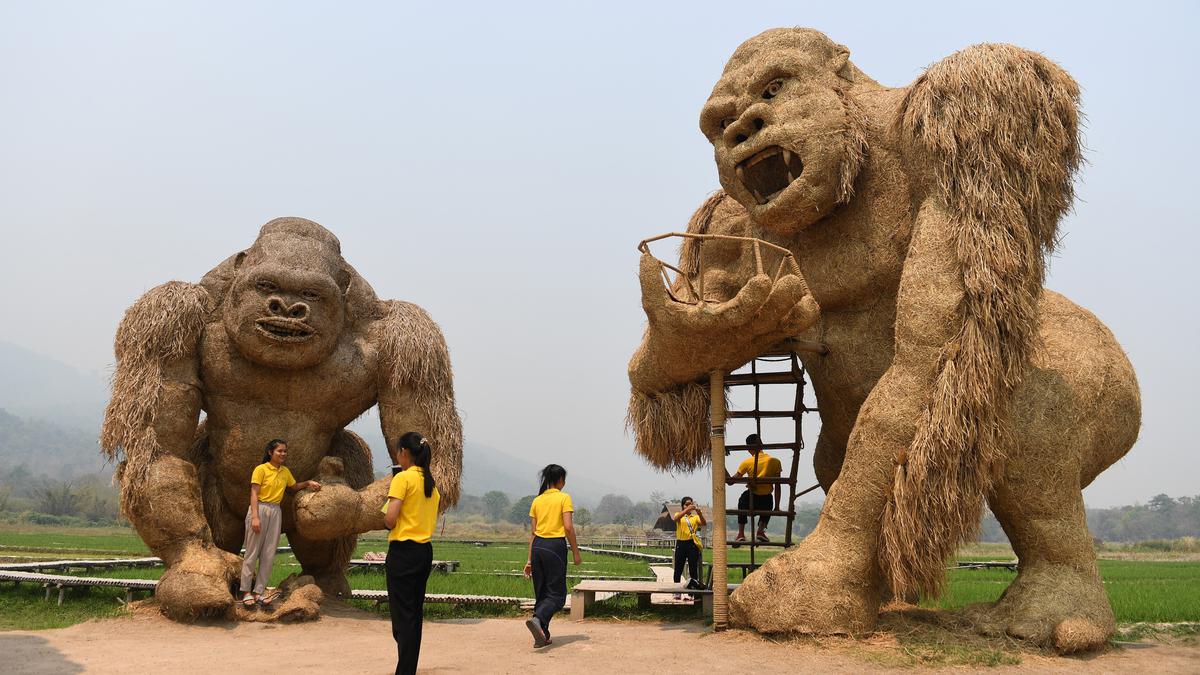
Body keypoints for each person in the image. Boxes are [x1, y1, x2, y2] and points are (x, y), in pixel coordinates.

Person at [382, 431, 441, 675]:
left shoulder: (403, 478)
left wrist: (389, 515)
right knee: (413, 614)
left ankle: (405, 670)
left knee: (402, 618)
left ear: (404, 452)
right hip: (423, 551)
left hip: (403, 552)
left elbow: (390, 519)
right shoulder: (431, 484)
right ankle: (408, 668)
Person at [240, 439, 321, 607]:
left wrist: (308, 483)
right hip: (260, 508)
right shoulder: (261, 469)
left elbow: (294, 486)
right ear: (270, 452)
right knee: (252, 552)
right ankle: (246, 591)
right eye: (280, 451)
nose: (283, 454)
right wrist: (255, 517)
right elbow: (254, 494)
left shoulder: (285, 471)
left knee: (269, 553)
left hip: (276, 511)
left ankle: (259, 592)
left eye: (285, 451)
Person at [523, 464, 581, 648]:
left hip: (538, 547)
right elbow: (568, 527)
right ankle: (538, 619)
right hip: (554, 547)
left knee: (542, 593)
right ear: (561, 480)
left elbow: (533, 533)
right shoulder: (564, 498)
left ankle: (542, 635)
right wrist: (576, 552)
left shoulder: (537, 501)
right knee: (557, 595)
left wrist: (529, 560)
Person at [726, 433, 781, 545]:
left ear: (748, 449)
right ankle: (760, 530)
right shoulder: (775, 461)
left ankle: (741, 534)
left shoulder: (747, 462)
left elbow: (731, 482)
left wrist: (721, 464)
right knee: (769, 502)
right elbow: (778, 486)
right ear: (762, 444)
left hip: (751, 498)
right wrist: (777, 507)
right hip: (766, 500)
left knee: (742, 501)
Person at [672, 496, 706, 597]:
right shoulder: (679, 515)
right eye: (686, 504)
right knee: (678, 569)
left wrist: (699, 513)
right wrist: (686, 510)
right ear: (682, 506)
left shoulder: (695, 517)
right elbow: (675, 519)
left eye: (691, 504)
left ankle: (692, 593)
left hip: (692, 545)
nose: (689, 506)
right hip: (681, 544)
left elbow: (703, 523)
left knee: (693, 569)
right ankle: (677, 592)